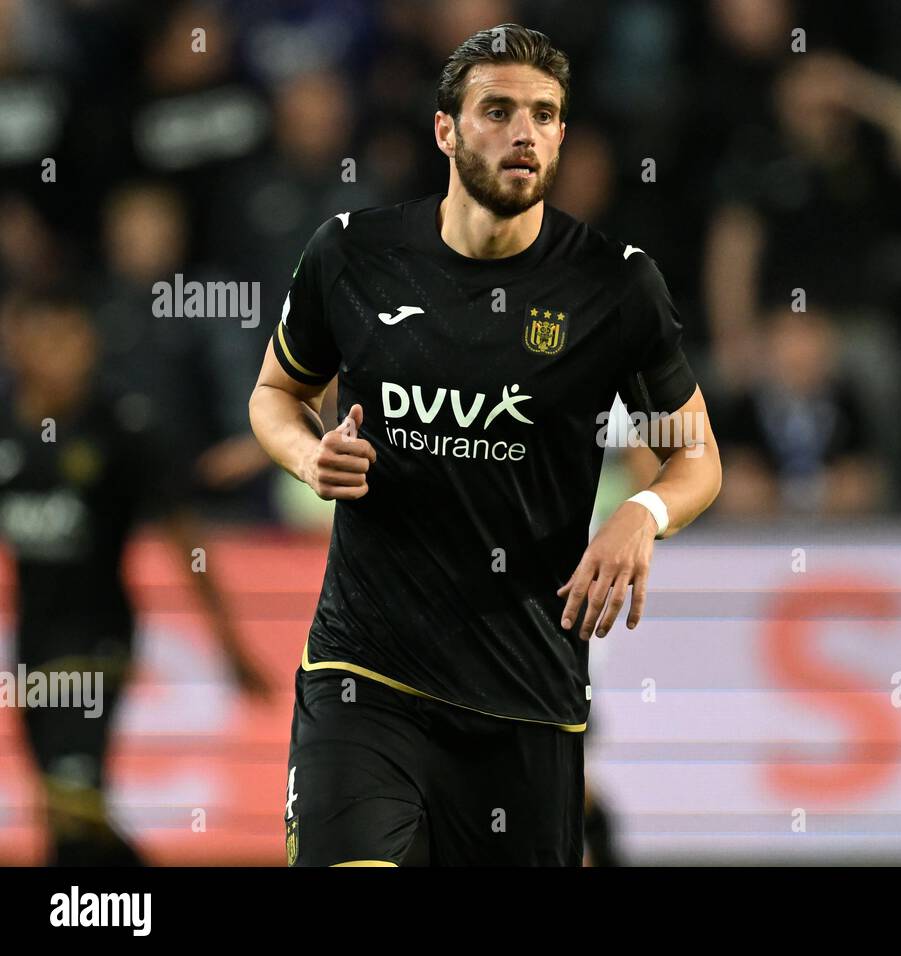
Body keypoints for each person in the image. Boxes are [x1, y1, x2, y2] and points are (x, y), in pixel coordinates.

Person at [248, 23, 722, 867]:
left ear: (563, 136)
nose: (523, 132)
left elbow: (697, 458)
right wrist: (306, 454)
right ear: (446, 130)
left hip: (525, 696)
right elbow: (276, 396)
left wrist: (641, 514)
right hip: (366, 678)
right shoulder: (353, 255)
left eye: (544, 114)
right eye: (497, 110)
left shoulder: (615, 287)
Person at [0, 289, 270, 866]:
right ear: (19, 344)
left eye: (74, 340)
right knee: (65, 815)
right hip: (32, 648)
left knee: (71, 805)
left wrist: (231, 648)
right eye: (48, 340)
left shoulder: (120, 427)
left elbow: (185, 538)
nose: (64, 355)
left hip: (98, 643)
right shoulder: (7, 428)